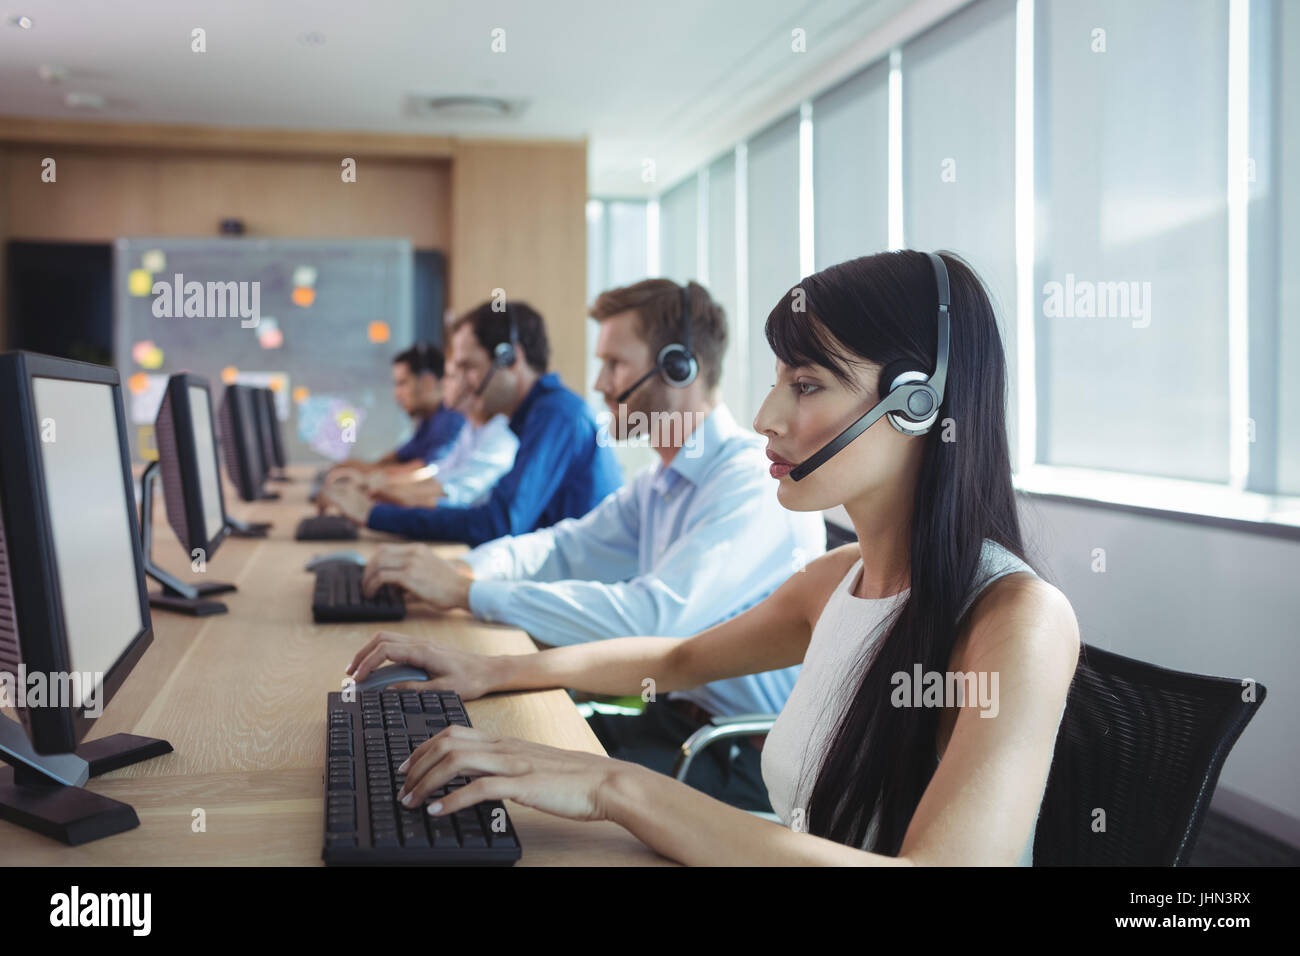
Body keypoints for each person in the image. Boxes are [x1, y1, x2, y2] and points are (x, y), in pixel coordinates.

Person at [346, 250, 1080, 865]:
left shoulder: (1021, 621)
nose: (766, 417)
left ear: (917, 406)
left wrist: (615, 787)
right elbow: (679, 658)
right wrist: (489, 670)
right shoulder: (838, 580)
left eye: (806, 385)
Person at [357, 279, 826, 811]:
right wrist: (462, 571)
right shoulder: (661, 483)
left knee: (499, 793)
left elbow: (652, 620)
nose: (600, 383)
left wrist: (471, 595)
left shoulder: (750, 483)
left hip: (740, 757)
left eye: (615, 364)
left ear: (681, 368)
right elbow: (562, 548)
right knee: (469, 748)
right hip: (673, 723)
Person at [320, 301, 622, 546]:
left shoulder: (557, 416)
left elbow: (498, 523)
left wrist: (374, 515)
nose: (460, 385)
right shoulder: (530, 419)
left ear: (510, 359)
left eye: (468, 368)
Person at [364, 359, 519, 510]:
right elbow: (440, 474)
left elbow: (455, 493)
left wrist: (391, 493)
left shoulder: (499, 433)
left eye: (450, 377)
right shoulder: (469, 431)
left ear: (474, 386)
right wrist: (383, 488)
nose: (443, 383)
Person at [325, 343, 464, 482]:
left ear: (427, 383)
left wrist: (361, 472)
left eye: (402, 383)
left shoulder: (450, 420)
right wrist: (352, 466)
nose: (396, 395)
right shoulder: (428, 421)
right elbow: (396, 458)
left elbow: (422, 473)